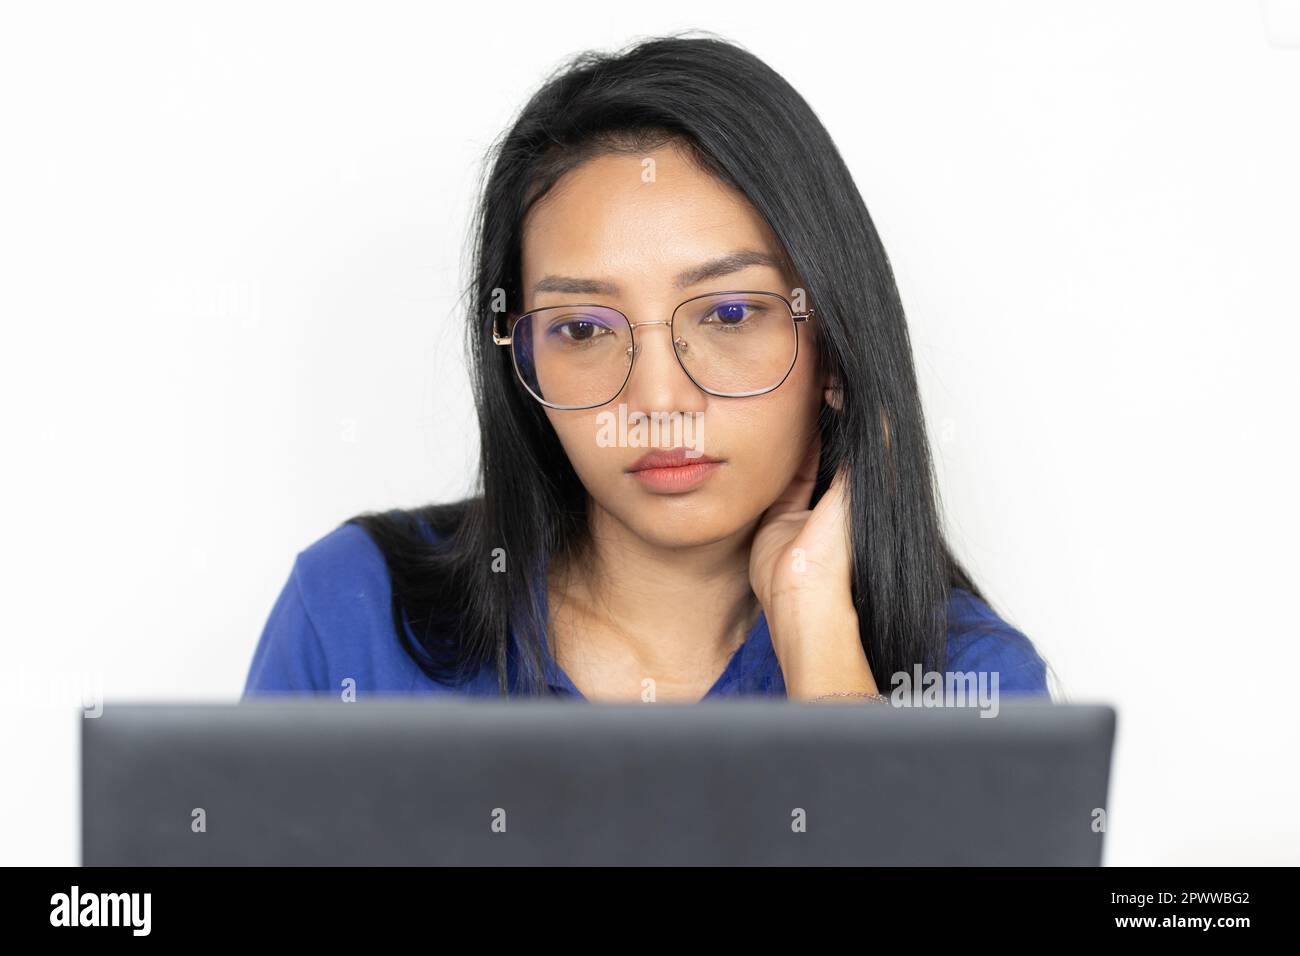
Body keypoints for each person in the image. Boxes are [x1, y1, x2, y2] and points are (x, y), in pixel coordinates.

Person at [243, 32, 1052, 705]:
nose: (658, 399)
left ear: (833, 351)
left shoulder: (973, 684)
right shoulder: (352, 614)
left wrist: (816, 634)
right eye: (585, 329)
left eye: (730, 314)